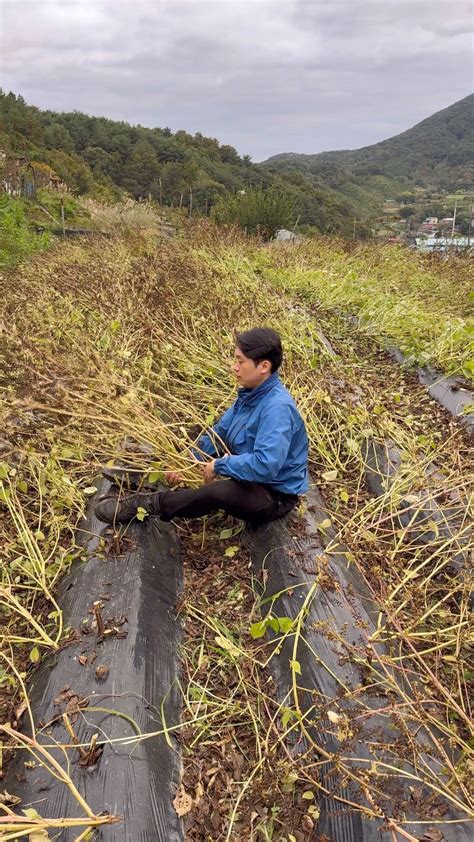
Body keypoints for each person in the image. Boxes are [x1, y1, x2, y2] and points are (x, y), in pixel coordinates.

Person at [95, 327, 309, 527]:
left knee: (219, 492)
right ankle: (136, 474)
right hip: (249, 473)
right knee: (194, 434)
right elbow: (219, 434)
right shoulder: (251, 394)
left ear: (264, 366)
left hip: (272, 494)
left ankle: (149, 505)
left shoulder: (277, 408)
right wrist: (189, 460)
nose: (234, 367)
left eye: (240, 361)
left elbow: (266, 465)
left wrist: (219, 466)